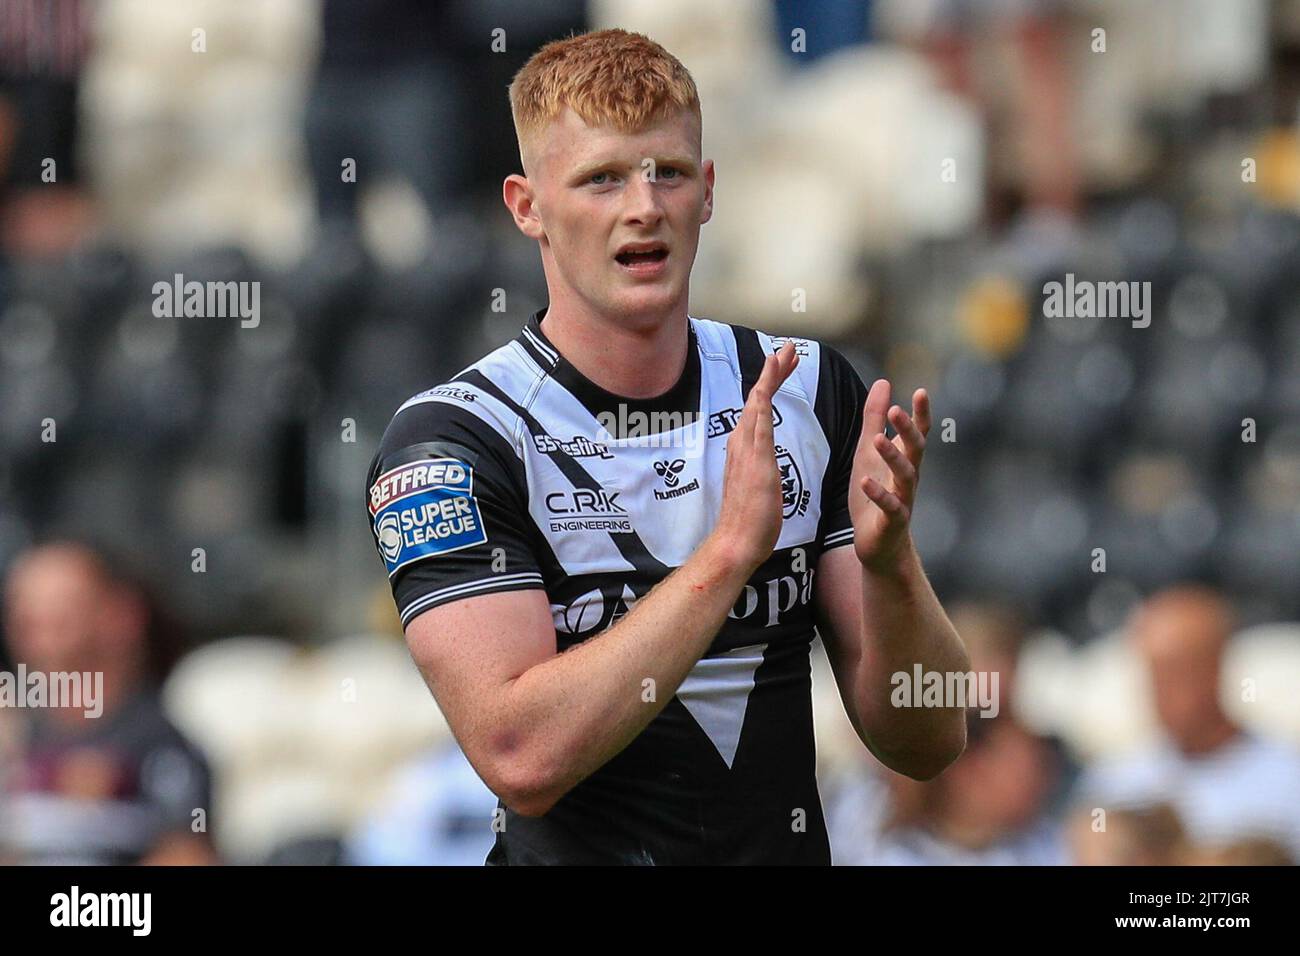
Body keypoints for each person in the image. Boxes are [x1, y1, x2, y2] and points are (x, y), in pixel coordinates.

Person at [365, 28, 968, 865]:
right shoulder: (455, 440)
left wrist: (892, 568)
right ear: (527, 205)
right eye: (602, 179)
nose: (643, 206)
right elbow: (519, 757)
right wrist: (728, 556)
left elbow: (930, 739)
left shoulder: (806, 386)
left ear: (708, 191)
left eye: (669, 173)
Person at [0, 542, 216, 865]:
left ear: (124, 616)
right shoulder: (14, 737)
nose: (37, 625)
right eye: (24, 610)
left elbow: (187, 854)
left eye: (62, 608)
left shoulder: (162, 747)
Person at [1073, 585, 1300, 863]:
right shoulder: (1115, 783)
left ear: (1216, 668)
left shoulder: (1288, 781)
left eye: (1177, 671)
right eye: (1154, 674)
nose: (1162, 691)